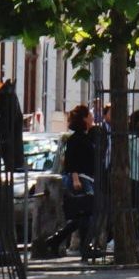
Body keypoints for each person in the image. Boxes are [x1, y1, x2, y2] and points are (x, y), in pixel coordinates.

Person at [36, 105, 100, 258]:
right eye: (90, 115)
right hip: (82, 179)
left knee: (84, 214)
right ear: (84, 118)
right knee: (88, 212)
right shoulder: (75, 139)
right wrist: (76, 178)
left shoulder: (86, 136)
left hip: (88, 178)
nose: (92, 118)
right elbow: (71, 162)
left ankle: (57, 240)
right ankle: (84, 247)